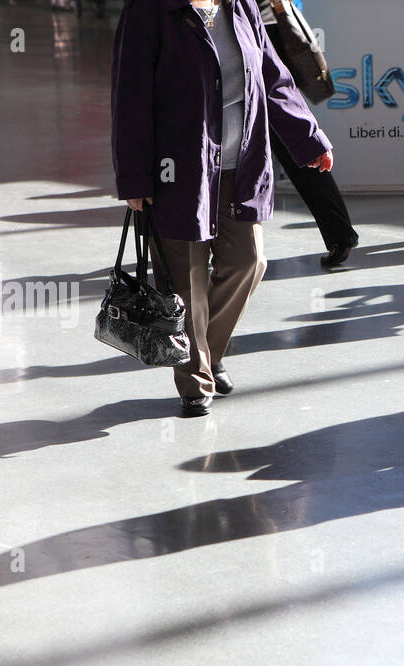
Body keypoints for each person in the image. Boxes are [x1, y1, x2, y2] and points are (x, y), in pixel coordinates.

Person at [112, 0, 333, 418]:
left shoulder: (242, 5)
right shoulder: (149, 10)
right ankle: (195, 381)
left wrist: (309, 137)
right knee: (186, 280)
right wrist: (134, 177)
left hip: (239, 163)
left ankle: (208, 353)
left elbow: (272, 74)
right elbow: (130, 93)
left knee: (249, 261)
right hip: (176, 171)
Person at [257, 0, 359, 269]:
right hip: (265, 31)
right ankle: (340, 233)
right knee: (292, 141)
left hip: (251, 32)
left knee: (287, 141)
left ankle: (210, 243)